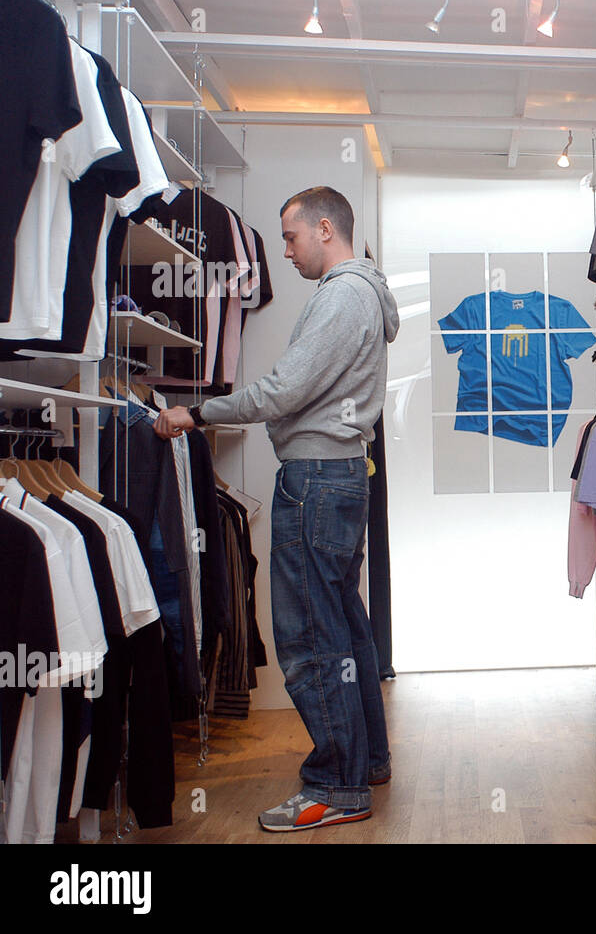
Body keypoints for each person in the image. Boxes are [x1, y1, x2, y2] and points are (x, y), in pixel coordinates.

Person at [154, 186, 399, 832]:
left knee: (311, 639)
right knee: (343, 629)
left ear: (325, 229)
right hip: (337, 478)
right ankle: (364, 762)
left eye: (290, 238)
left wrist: (198, 411)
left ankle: (337, 787)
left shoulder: (344, 296)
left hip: (317, 481)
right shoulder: (359, 294)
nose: (283, 251)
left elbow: (285, 389)